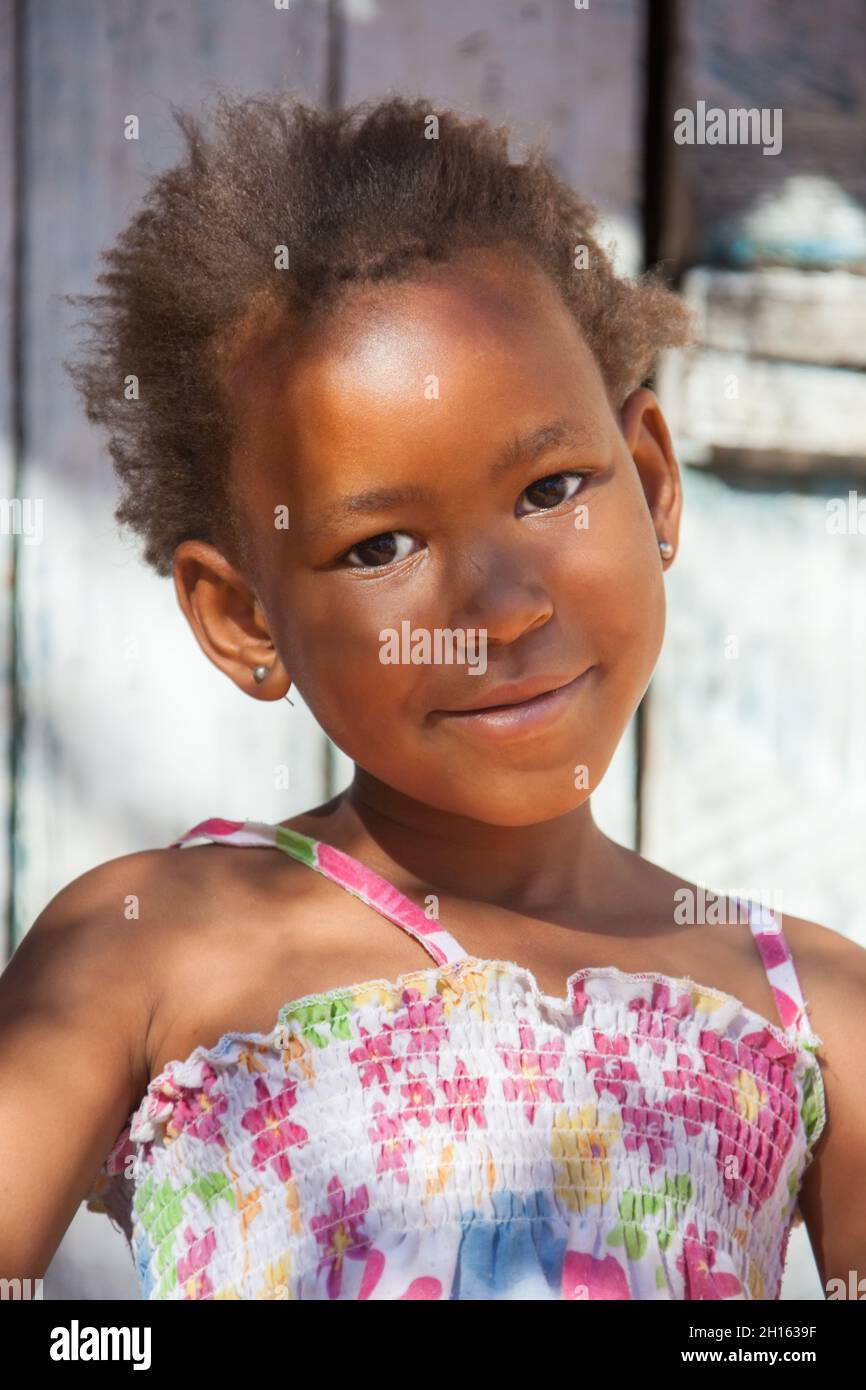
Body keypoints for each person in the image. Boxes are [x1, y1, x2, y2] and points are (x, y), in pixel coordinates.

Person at [1, 91, 863, 1300]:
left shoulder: (811, 1010)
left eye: (552, 486)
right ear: (244, 616)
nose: (502, 609)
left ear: (653, 481)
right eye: (377, 548)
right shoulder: (144, 943)